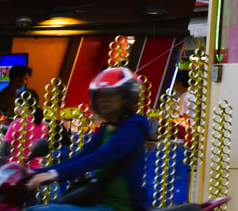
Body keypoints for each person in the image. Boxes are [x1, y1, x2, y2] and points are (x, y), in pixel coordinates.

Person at [23, 66, 154, 211]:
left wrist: (54, 174)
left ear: (127, 96)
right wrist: (30, 173)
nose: (105, 100)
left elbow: (102, 156)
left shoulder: (132, 128)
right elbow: (81, 157)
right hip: (99, 203)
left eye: (112, 94)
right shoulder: (107, 128)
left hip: (118, 208)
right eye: (101, 95)